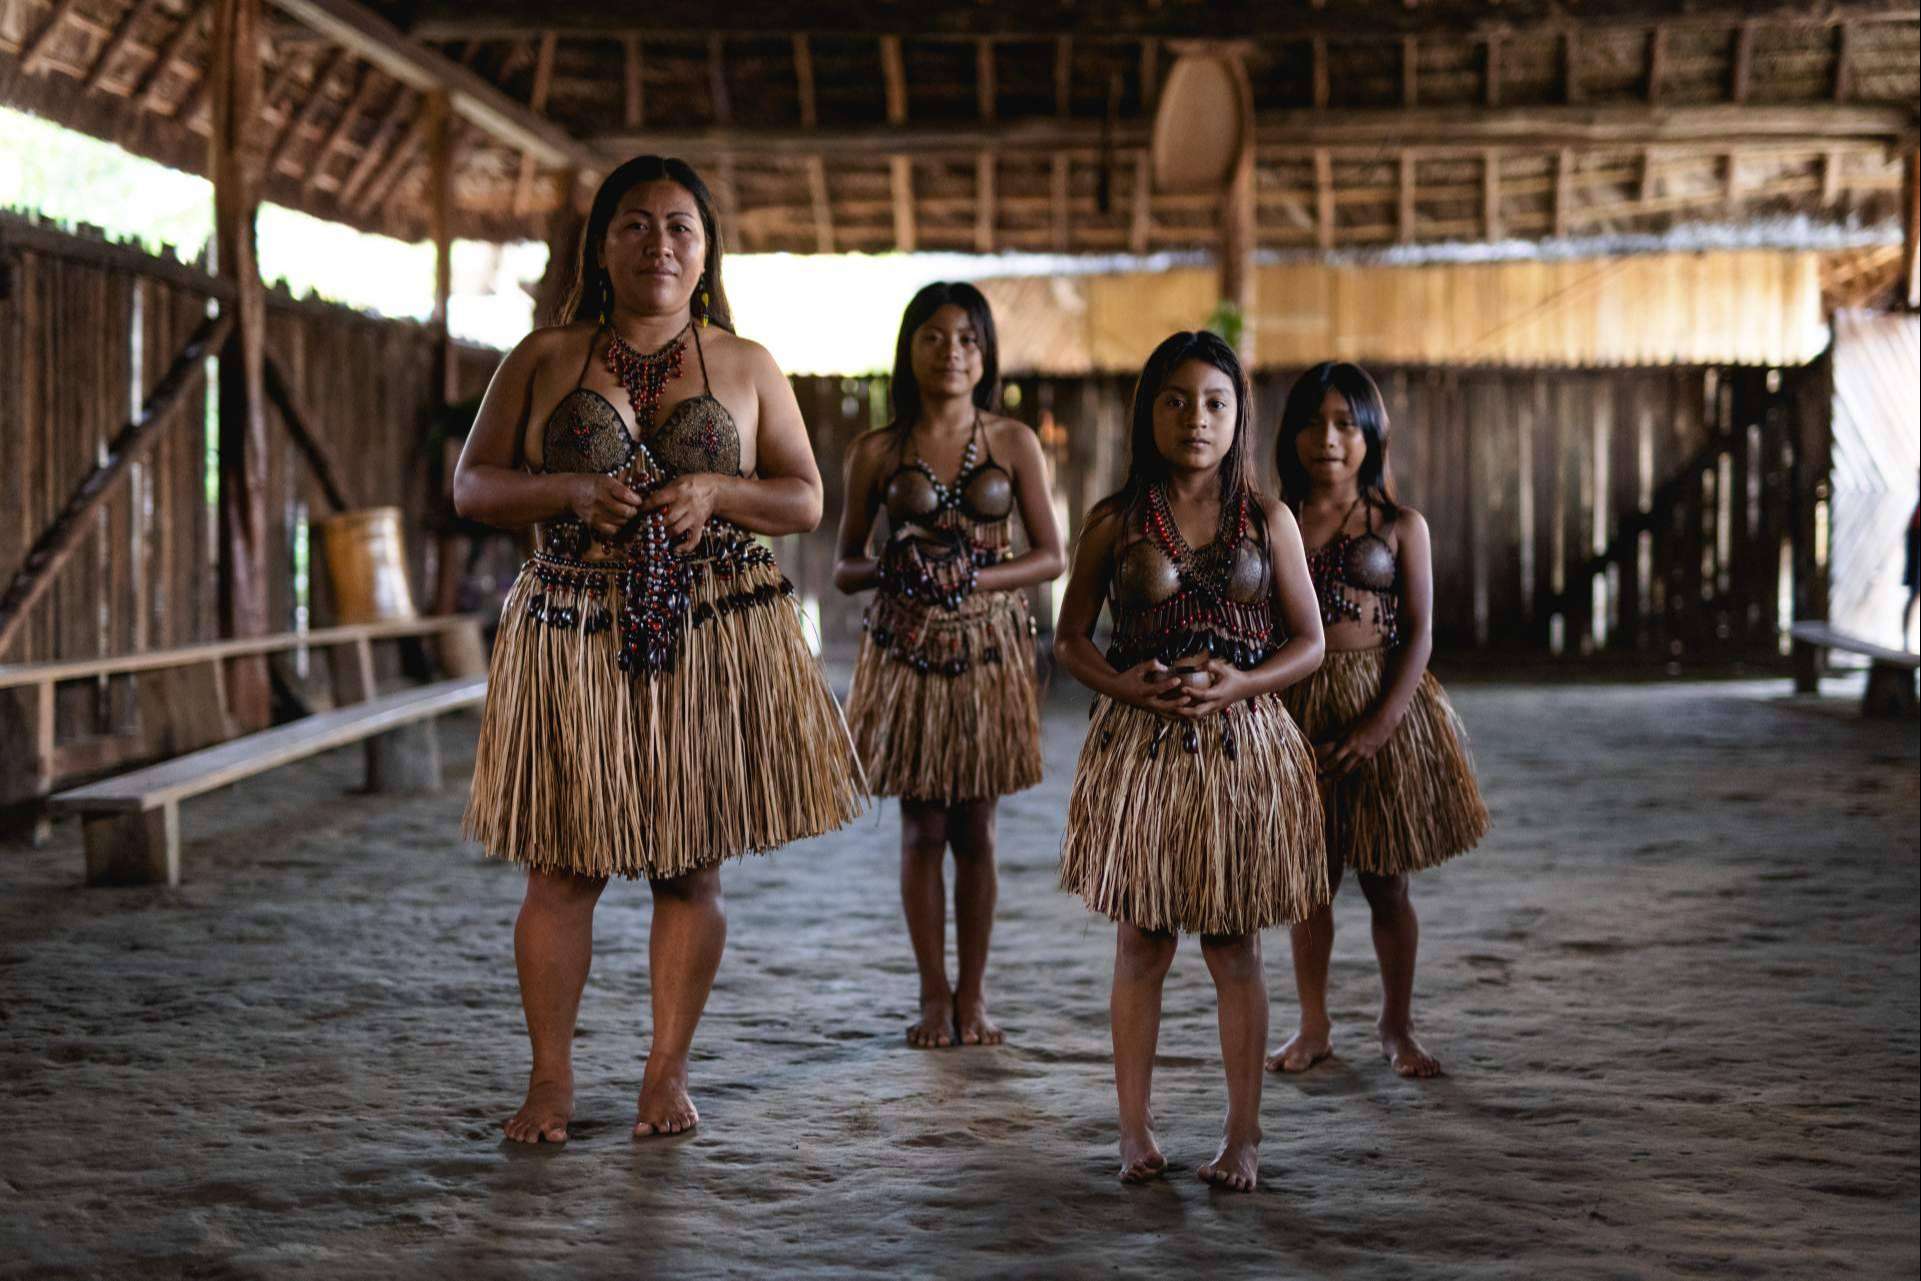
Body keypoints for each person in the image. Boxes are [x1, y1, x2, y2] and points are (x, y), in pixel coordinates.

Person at [453, 155, 864, 1144]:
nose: (660, 244)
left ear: (707, 246)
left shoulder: (748, 362)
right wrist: (566, 492)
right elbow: (471, 486)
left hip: (713, 635)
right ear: (602, 244)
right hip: (572, 632)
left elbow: (804, 499)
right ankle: (550, 1080)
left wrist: (719, 491)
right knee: (562, 868)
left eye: (680, 226)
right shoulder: (543, 357)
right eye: (635, 224)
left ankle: (664, 1073)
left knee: (690, 869)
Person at [1054, 331, 1327, 1192]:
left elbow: (1311, 642)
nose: (1194, 418)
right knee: (1141, 939)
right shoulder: (1114, 520)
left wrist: (1245, 680)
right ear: (1149, 413)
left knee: (1233, 944)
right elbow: (1069, 640)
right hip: (1143, 750)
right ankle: (1134, 1131)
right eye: (1174, 400)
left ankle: (1240, 1138)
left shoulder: (1268, 518)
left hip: (1244, 751)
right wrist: (1124, 686)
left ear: (1238, 413)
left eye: (1213, 401)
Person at [835, 283, 1065, 1049]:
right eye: (933, 337)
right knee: (919, 827)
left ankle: (974, 995)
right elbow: (843, 565)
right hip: (907, 646)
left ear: (986, 353)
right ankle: (932, 995)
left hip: (989, 648)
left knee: (978, 828)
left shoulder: (1014, 441)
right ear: (908, 348)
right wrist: (894, 562)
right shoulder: (875, 449)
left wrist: (974, 577)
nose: (951, 353)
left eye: (967, 339)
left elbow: (1049, 555)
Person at [1264, 361, 1489, 1081]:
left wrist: (1377, 728)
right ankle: (1313, 1024)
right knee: (1309, 881)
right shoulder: (1274, 521)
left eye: (1342, 422)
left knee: (1386, 881)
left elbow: (1418, 634)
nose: (1326, 438)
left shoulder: (1399, 526)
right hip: (1296, 707)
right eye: (1309, 422)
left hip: (1382, 703)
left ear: (1370, 433)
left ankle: (1396, 1024)